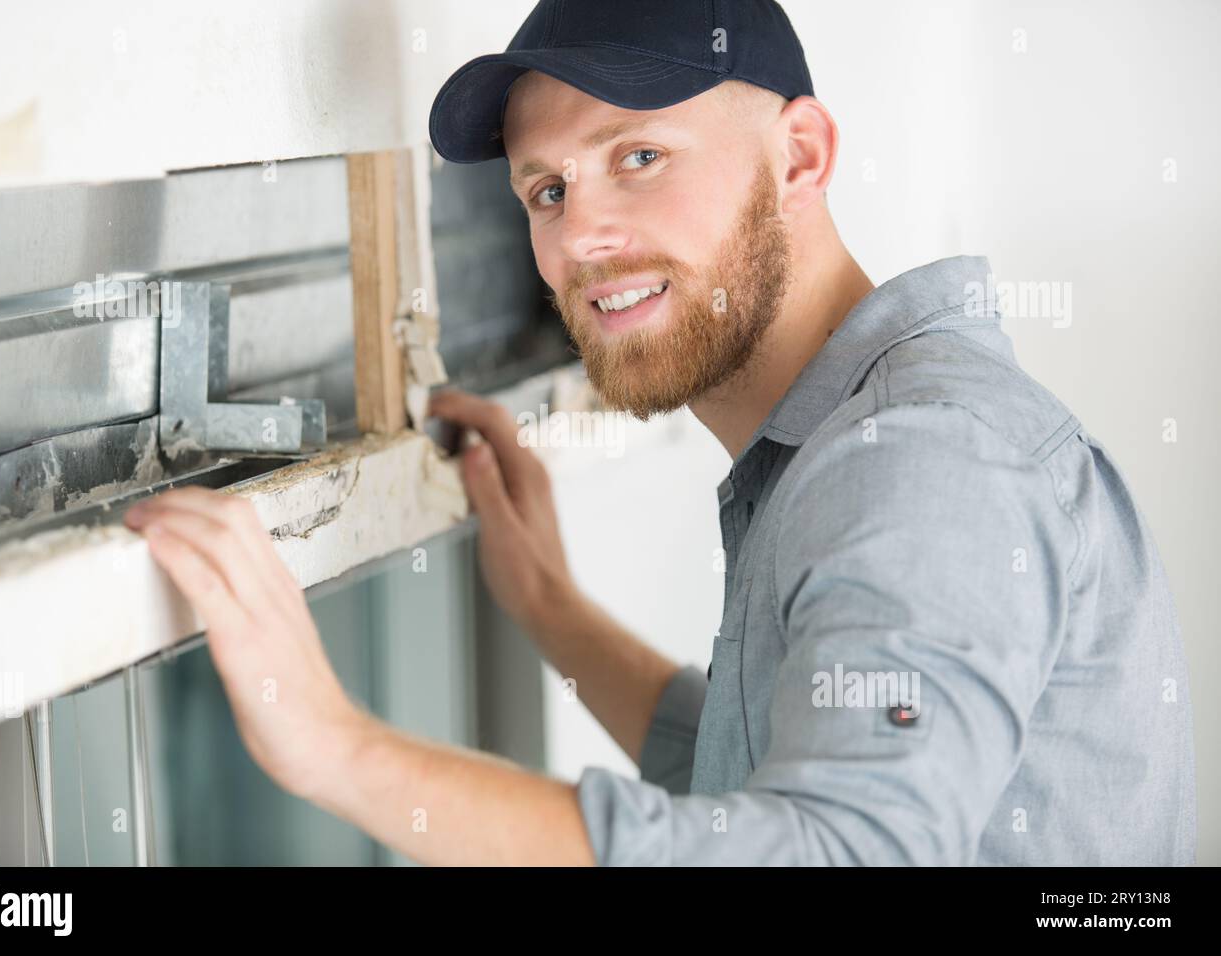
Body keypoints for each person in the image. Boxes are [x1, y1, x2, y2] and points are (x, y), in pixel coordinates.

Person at [123, 0, 1196, 865]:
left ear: (801, 157)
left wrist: (335, 749)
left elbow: (835, 852)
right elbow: (759, 788)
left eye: (637, 156)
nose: (580, 235)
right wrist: (549, 606)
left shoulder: (920, 461)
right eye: (546, 188)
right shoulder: (856, 442)